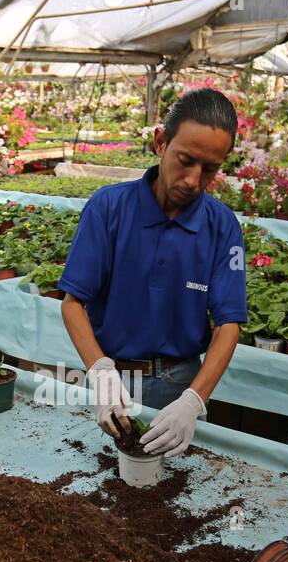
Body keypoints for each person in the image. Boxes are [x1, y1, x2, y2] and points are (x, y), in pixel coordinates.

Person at [57, 87, 246, 458]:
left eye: (209, 169)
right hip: (115, 378)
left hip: (181, 380)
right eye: (185, 160)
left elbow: (228, 325)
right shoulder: (108, 209)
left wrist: (193, 401)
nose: (193, 180)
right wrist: (100, 371)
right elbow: (73, 303)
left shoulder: (222, 227)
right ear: (161, 142)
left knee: (178, 492)